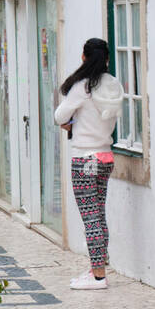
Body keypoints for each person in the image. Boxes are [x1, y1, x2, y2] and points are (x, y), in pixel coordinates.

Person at [54, 37, 123, 290]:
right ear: (106, 59)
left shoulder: (83, 86)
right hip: (105, 157)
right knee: (98, 213)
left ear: (84, 57)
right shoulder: (113, 83)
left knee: (89, 216)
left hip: (84, 159)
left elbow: (59, 116)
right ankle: (98, 267)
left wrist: (72, 122)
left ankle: (98, 276)